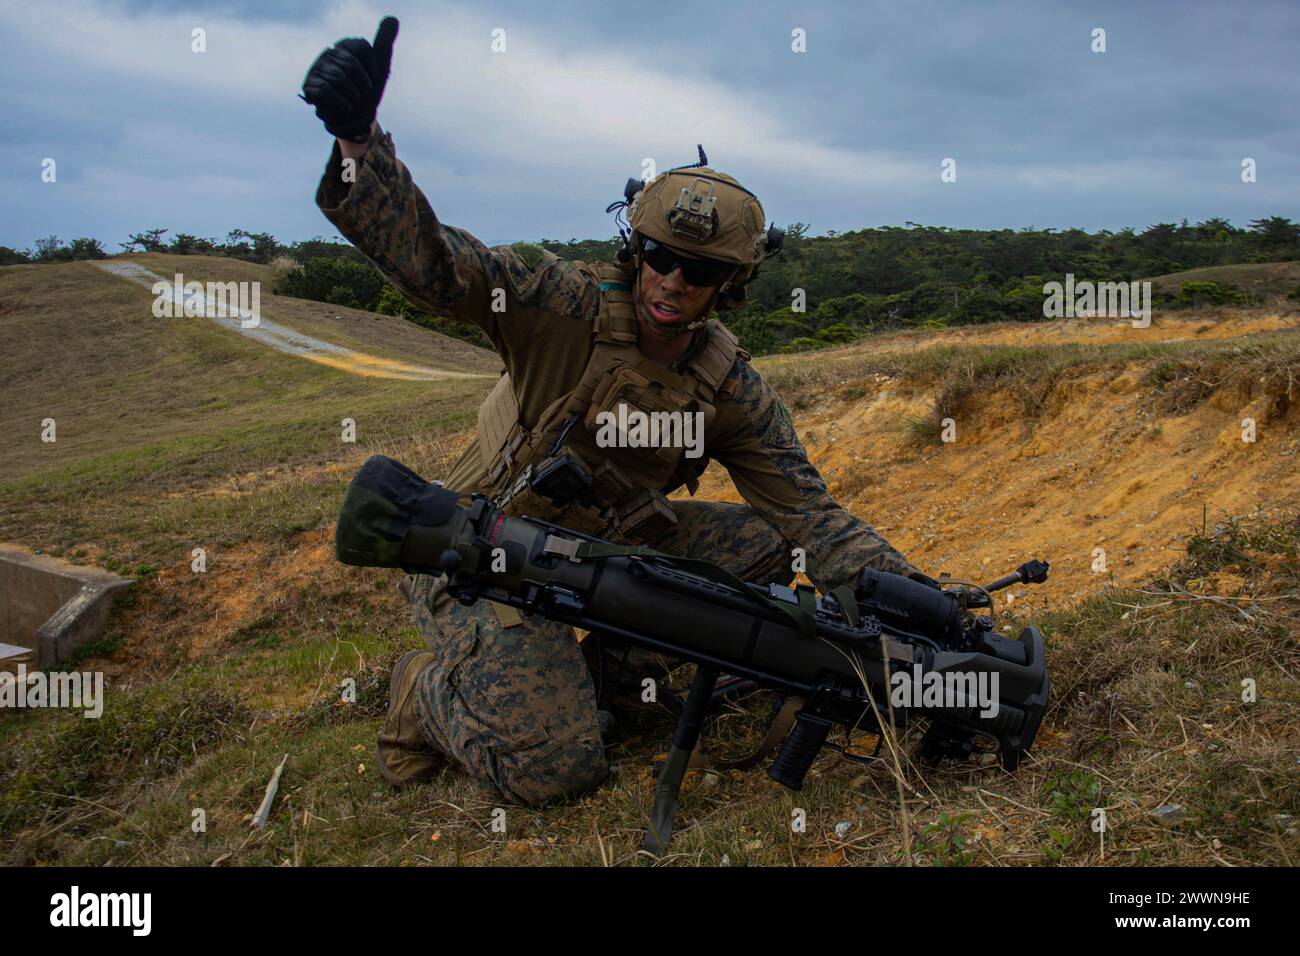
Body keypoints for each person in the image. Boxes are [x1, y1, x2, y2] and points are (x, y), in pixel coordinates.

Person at [302, 17, 932, 806]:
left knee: (772, 551)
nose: (672, 282)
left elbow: (813, 520)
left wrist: (926, 604)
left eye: (698, 271)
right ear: (636, 250)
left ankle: (615, 673)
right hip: (474, 546)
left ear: (730, 283)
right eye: (659, 258)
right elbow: (439, 268)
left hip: (605, 552)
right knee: (557, 767)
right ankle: (422, 695)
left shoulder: (729, 385)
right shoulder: (559, 304)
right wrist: (362, 147)